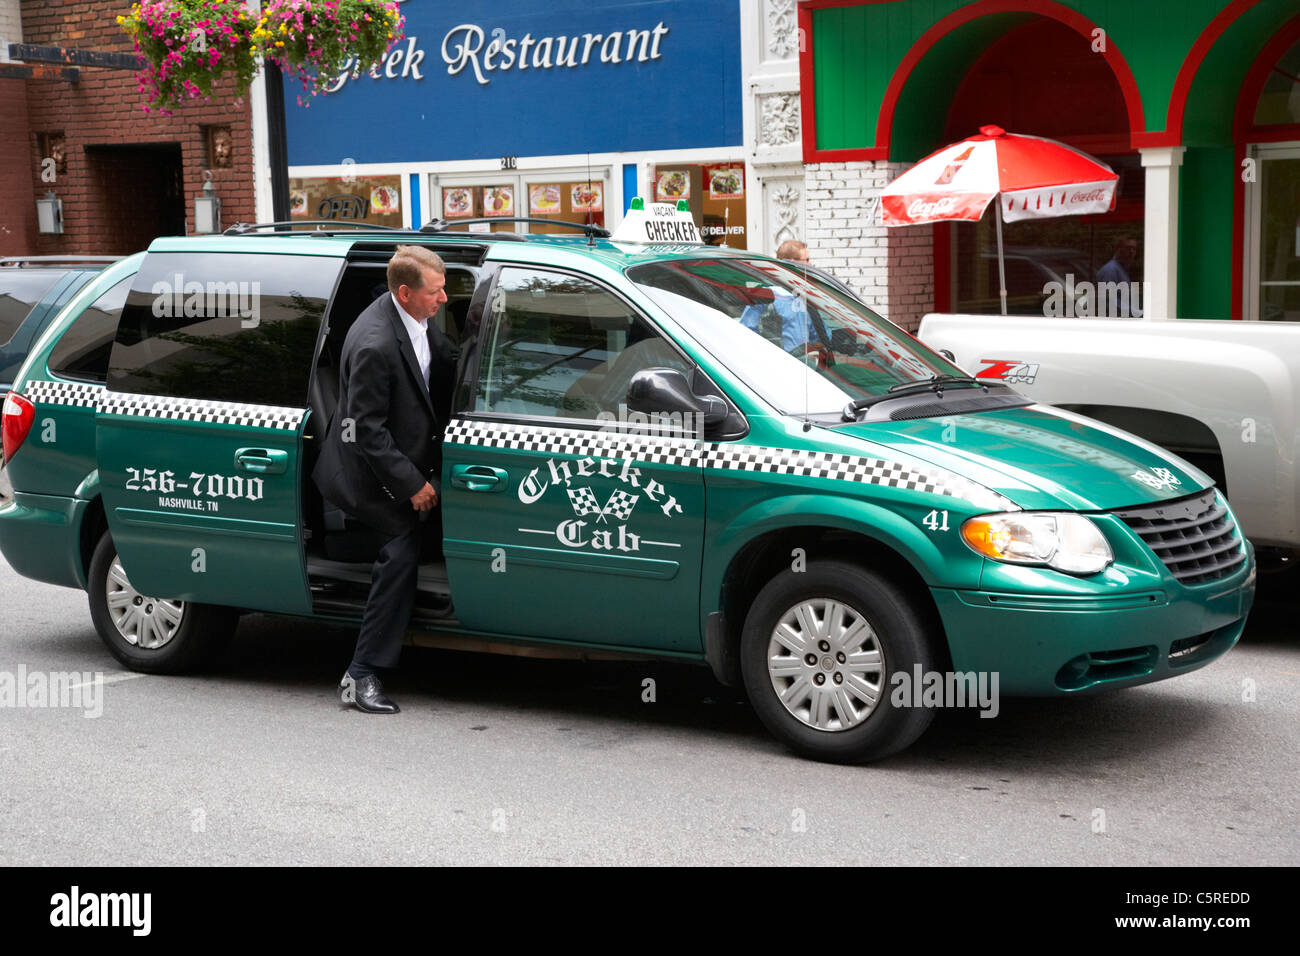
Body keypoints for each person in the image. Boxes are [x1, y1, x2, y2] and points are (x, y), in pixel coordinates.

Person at [313, 245, 455, 714]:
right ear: (405, 292)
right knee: (400, 550)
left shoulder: (412, 316)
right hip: (366, 475)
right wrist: (413, 485)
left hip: (402, 457)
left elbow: (437, 363)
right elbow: (368, 433)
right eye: (436, 291)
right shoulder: (375, 343)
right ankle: (360, 674)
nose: (445, 299)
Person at [1096, 237, 1142, 317]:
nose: (1131, 252)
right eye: (1128, 248)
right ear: (1119, 249)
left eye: (1134, 249)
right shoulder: (1110, 270)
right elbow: (1109, 299)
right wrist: (1134, 312)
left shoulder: (1122, 269)